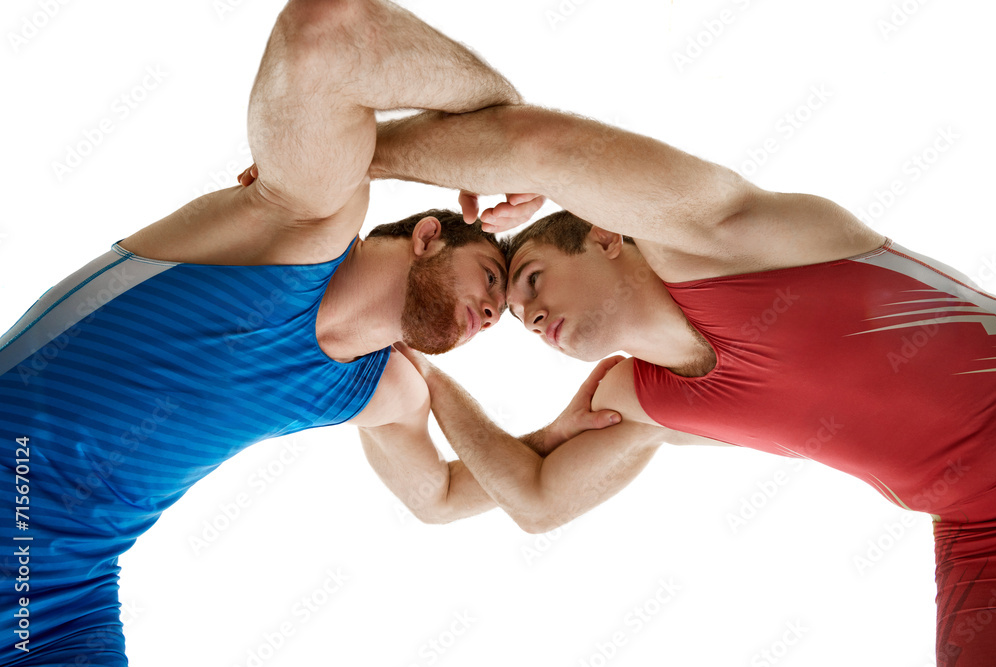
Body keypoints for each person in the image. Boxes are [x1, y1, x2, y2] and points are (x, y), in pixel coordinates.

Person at [0, 2, 620, 664]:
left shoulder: (387, 389)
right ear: (429, 235)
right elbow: (324, 32)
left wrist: (547, 440)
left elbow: (437, 495)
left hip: (56, 606)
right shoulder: (304, 227)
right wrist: (501, 123)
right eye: (492, 278)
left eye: (500, 317)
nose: (493, 313)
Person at [369, 104, 996, 665]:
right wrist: (427, 374)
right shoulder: (636, 398)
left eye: (532, 278)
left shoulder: (727, 243)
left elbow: (542, 146)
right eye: (518, 318)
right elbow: (517, 501)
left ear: (606, 234)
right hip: (978, 531)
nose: (531, 315)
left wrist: (350, 157)